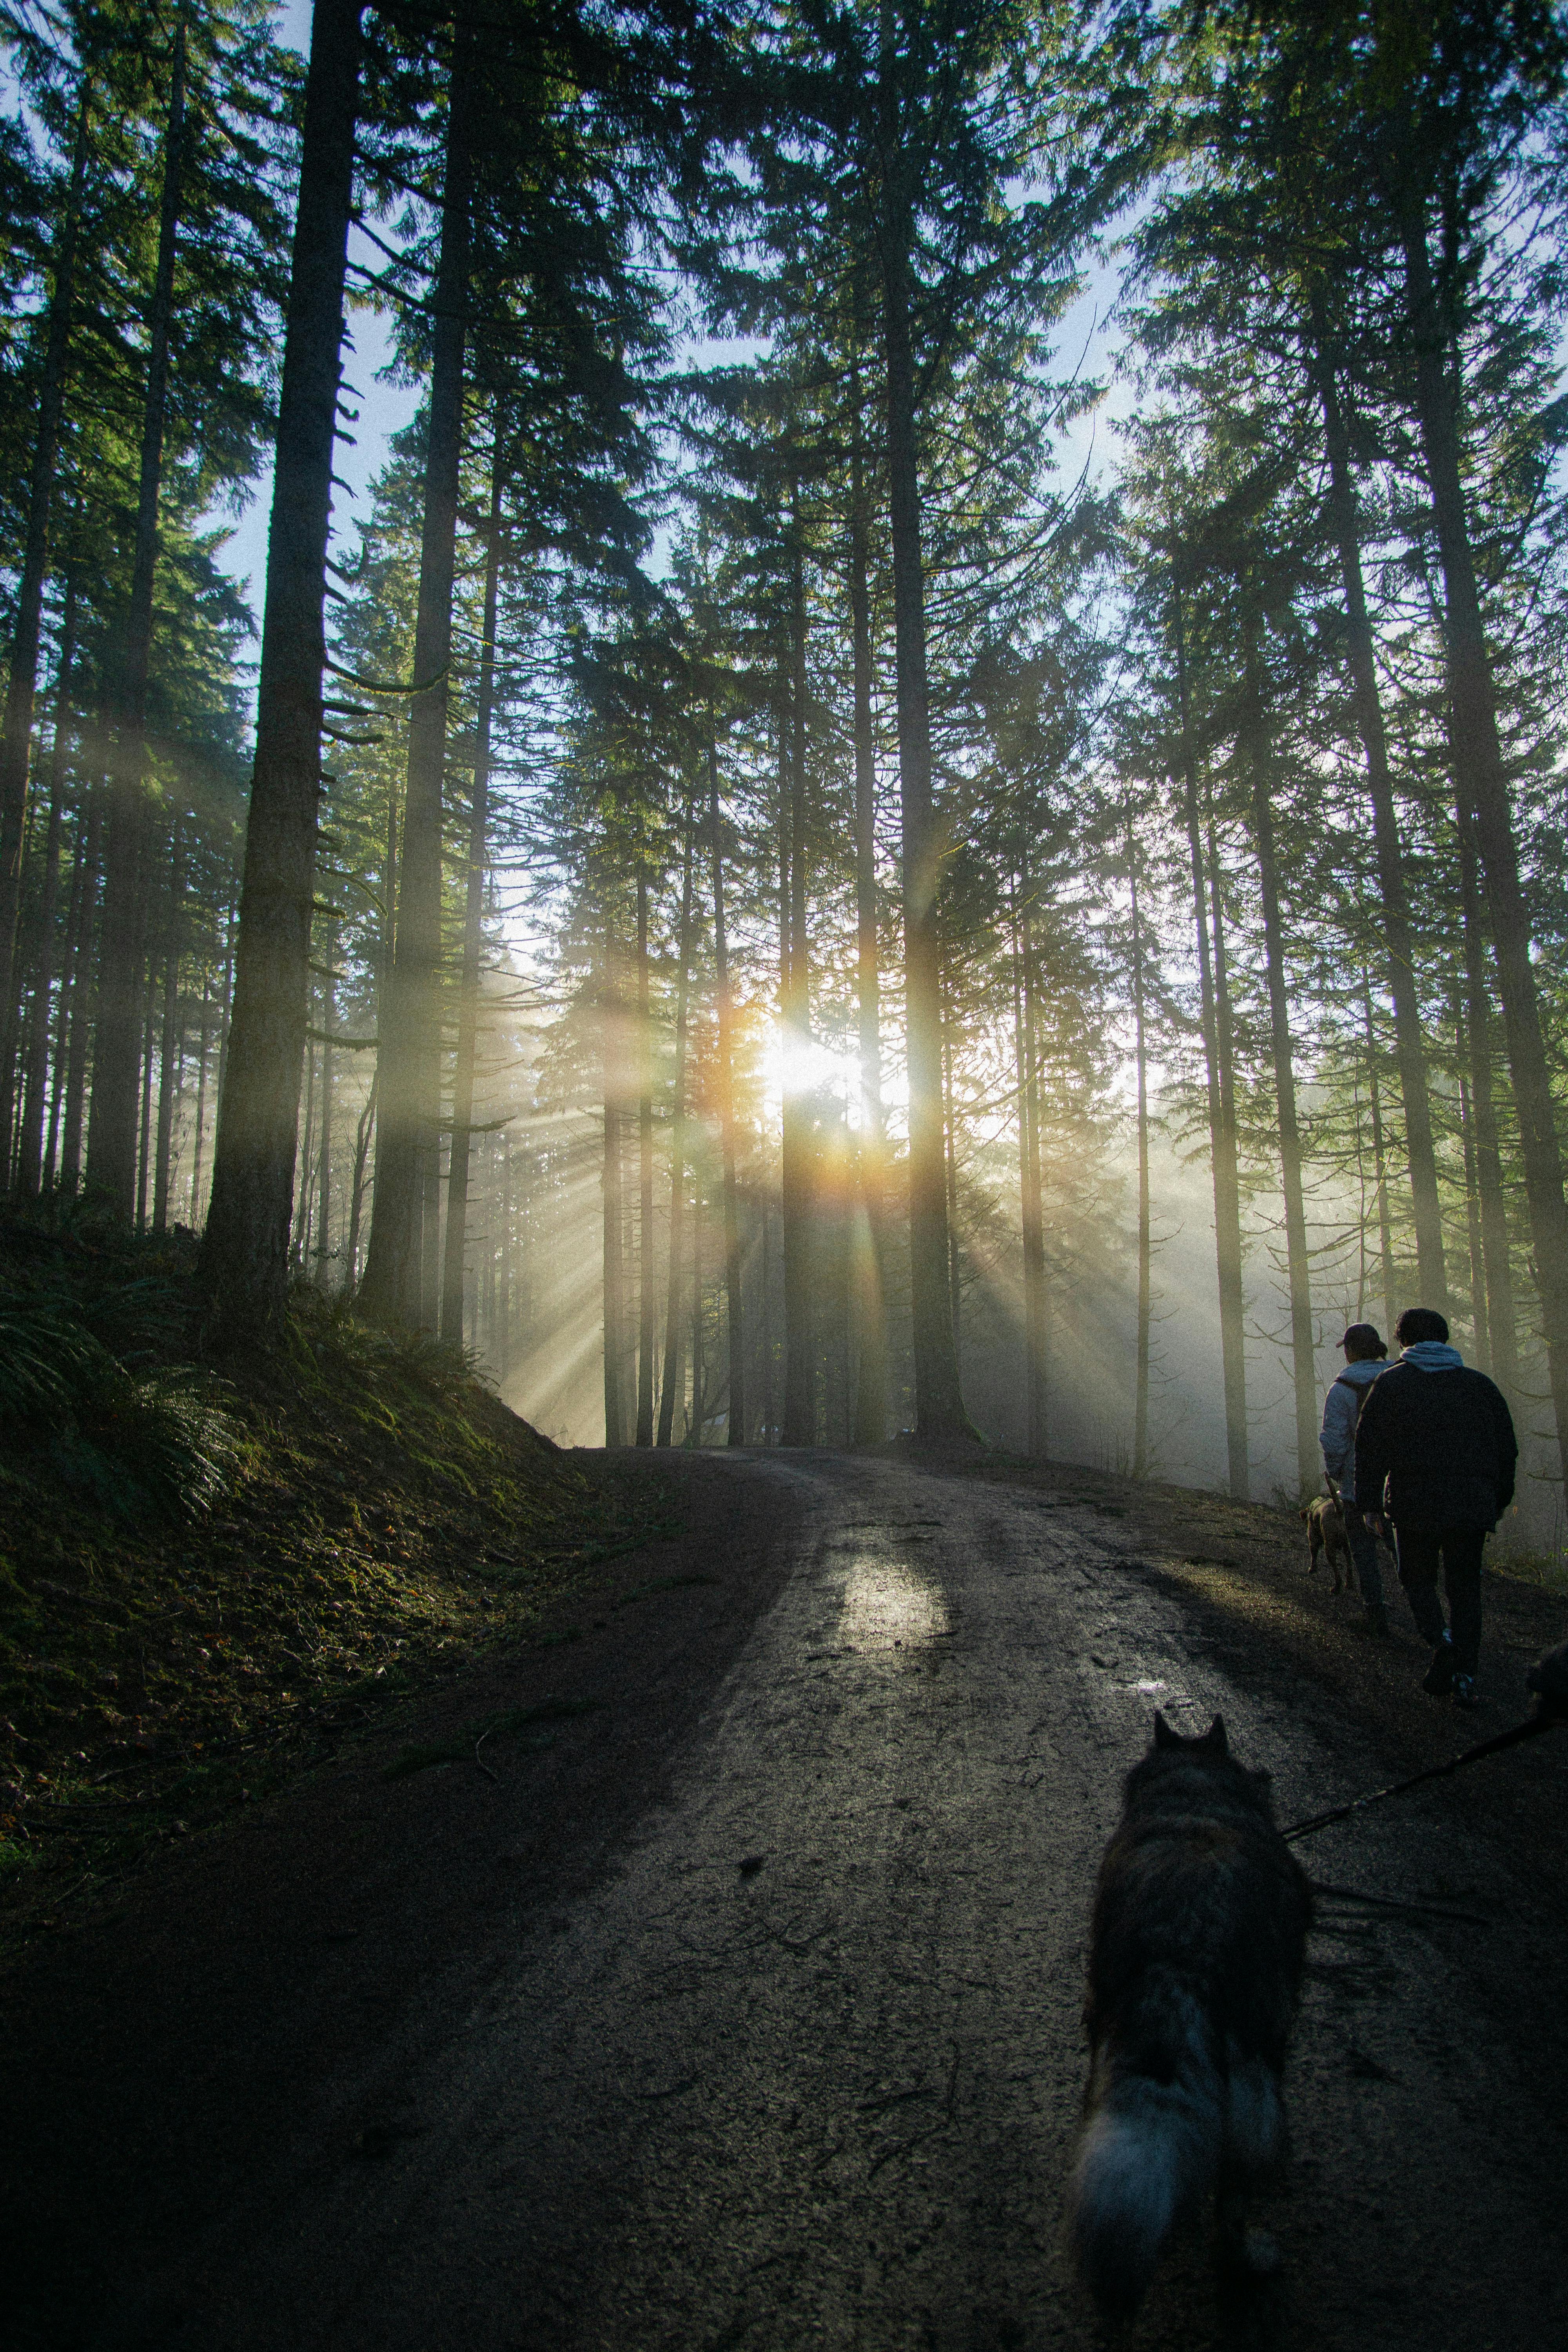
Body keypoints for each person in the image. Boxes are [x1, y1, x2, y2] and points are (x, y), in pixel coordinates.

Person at [1354, 1306, 1518, 1710]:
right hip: (1471, 1504)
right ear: (1444, 1339)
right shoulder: (1480, 1387)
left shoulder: (1390, 1385)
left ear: (1402, 1341)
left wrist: (1369, 1504)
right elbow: (1506, 1449)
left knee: (1416, 1579)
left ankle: (1439, 1640)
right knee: (1465, 1590)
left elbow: (1369, 1448)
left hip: (1413, 1502)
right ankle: (1465, 1677)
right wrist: (1497, 1500)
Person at [1318, 1323, 1392, 1637]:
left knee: (1363, 1550)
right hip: (1400, 1482)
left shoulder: (1342, 1389)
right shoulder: (1397, 1378)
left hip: (1358, 1483)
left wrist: (1338, 1474)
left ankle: (1376, 1612)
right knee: (1403, 1548)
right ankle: (1425, 1612)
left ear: (1349, 1351)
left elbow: (1334, 1440)